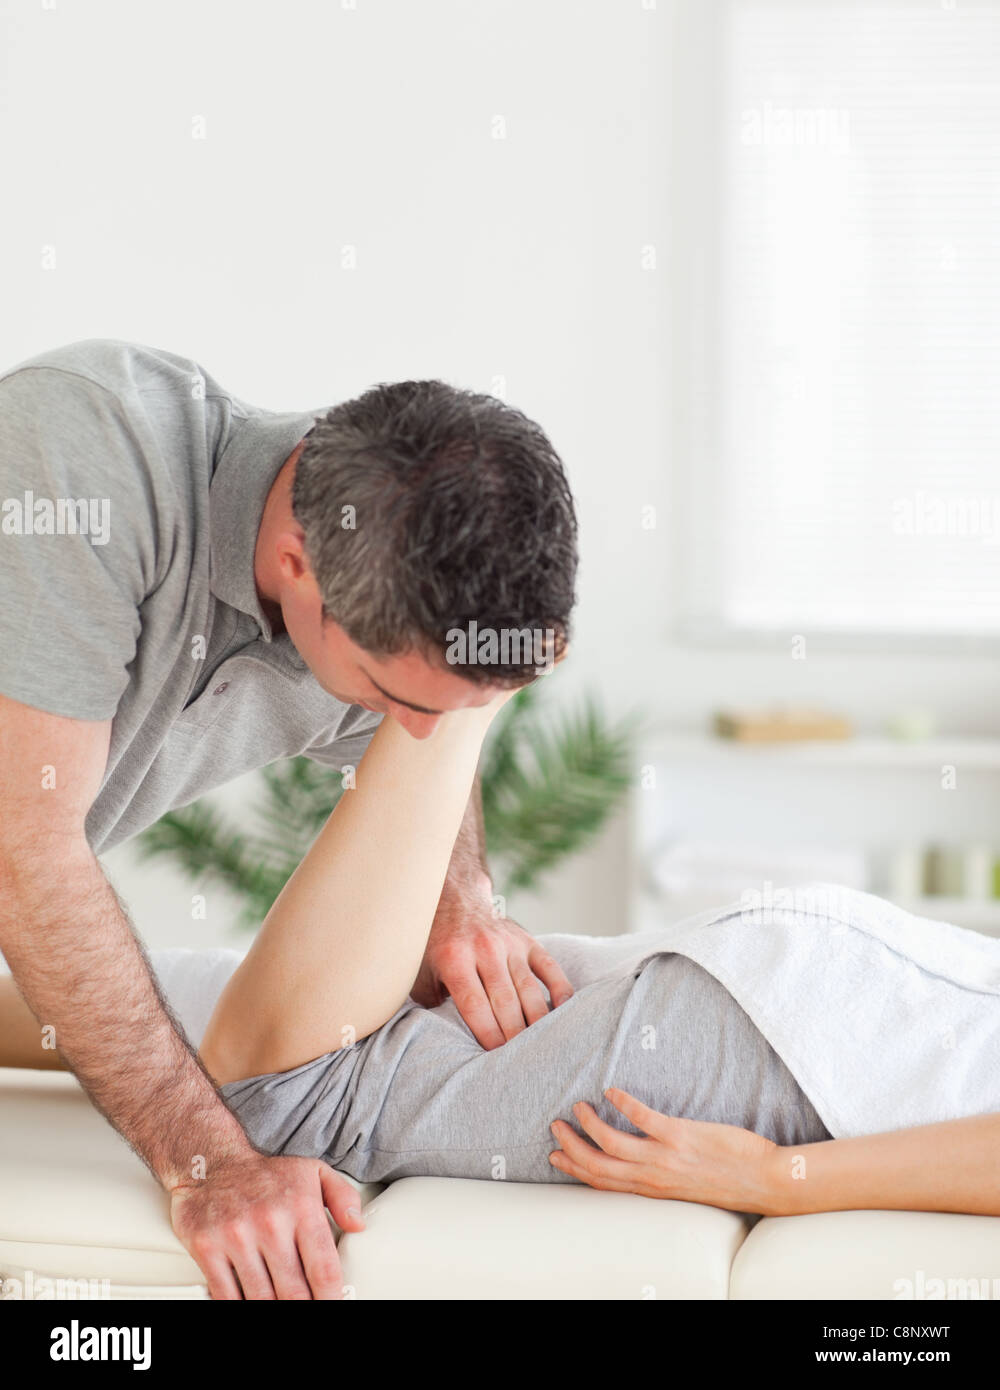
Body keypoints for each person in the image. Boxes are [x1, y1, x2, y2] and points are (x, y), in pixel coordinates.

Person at [4, 690, 998, 1302]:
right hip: (804, 1049)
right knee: (294, 1099)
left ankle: (446, 697)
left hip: (831, 981)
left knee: (202, 1018)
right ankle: (451, 702)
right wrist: (779, 1179)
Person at [0, 338, 578, 1299]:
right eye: (403, 700)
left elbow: (425, 740)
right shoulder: (87, 454)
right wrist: (209, 1167)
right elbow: (25, 851)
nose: (418, 736)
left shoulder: (373, 585)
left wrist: (463, 893)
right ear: (295, 564)